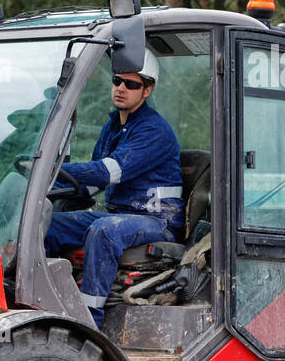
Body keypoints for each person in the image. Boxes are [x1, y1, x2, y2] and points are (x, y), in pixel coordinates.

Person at [43, 49, 183, 326]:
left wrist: (49, 169)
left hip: (156, 221)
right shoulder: (113, 127)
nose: (121, 88)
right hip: (120, 214)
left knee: (104, 231)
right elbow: (93, 185)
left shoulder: (153, 130)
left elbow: (108, 172)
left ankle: (88, 320)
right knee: (48, 225)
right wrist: (52, 188)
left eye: (131, 84)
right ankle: (47, 301)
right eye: (117, 80)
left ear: (147, 90)